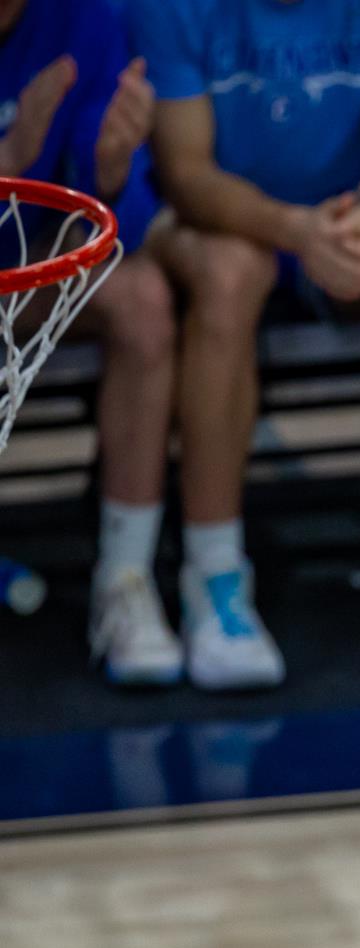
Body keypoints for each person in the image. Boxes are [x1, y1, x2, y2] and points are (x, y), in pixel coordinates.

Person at [127, 0, 360, 691]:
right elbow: (185, 174)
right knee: (229, 273)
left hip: (349, 214)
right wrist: (291, 228)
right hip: (223, 224)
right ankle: (212, 576)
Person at [0, 0, 178, 685]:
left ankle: (125, 581)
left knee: (143, 302)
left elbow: (120, 220)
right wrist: (10, 159)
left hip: (30, 274)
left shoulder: (87, 17)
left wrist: (108, 173)